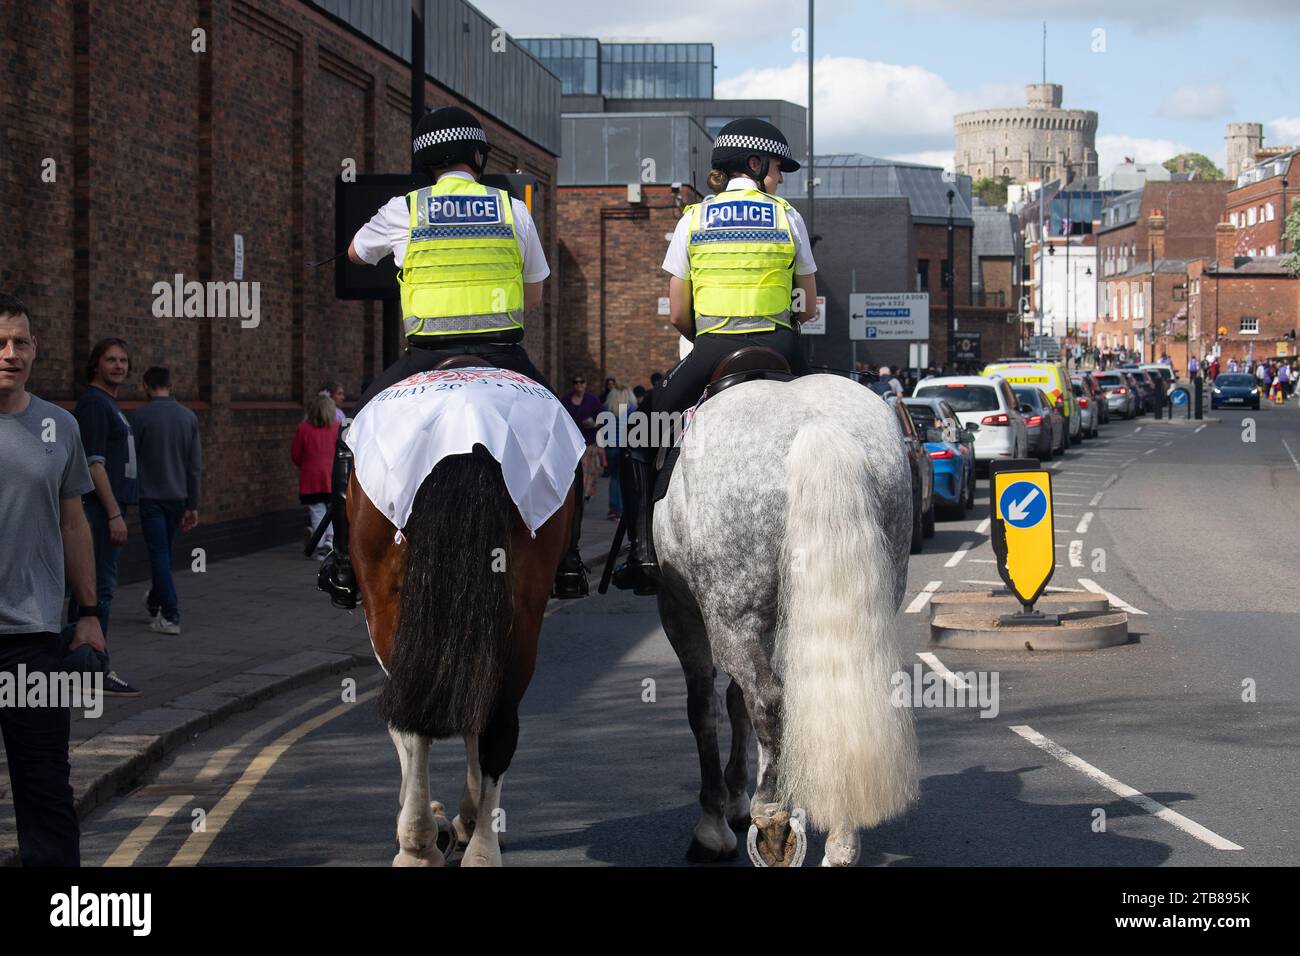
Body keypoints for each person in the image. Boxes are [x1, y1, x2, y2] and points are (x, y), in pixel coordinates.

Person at [320, 105, 587, 606]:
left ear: (427, 161)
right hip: (503, 356)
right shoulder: (514, 210)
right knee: (563, 430)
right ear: (478, 157)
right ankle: (568, 560)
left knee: (352, 437)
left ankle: (341, 562)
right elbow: (534, 297)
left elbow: (355, 252)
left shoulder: (406, 209)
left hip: (423, 358)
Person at [613, 117, 816, 594]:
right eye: (777, 168)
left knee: (637, 435)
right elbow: (807, 304)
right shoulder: (788, 216)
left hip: (715, 350)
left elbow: (678, 312)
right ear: (755, 162)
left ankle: (642, 554)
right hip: (782, 347)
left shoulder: (693, 220)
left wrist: (707, 334)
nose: (782, 178)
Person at [0, 293, 102, 865]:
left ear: (35, 349)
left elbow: (73, 523)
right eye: (0, 342)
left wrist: (89, 615)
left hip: (35, 641)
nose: (9, 353)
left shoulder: (58, 426)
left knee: (45, 791)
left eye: (20, 342)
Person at [68, 338, 139, 695]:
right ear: (96, 364)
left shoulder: (109, 403)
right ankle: (93, 668)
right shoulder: (95, 404)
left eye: (124, 360)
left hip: (109, 511)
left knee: (95, 589)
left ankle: (81, 667)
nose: (119, 366)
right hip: (98, 513)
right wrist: (113, 513)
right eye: (111, 360)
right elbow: (94, 465)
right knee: (96, 591)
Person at [128, 366, 201, 635]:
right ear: (171, 385)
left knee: (159, 554)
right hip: (179, 497)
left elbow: (131, 461)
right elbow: (195, 467)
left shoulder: (139, 416)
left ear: (146, 386)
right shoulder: (188, 417)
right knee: (164, 553)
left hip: (151, 497)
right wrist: (193, 504)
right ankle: (155, 600)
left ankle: (170, 614)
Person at [293, 393, 340, 560]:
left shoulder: (303, 429)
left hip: (310, 477)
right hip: (331, 476)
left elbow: (296, 454)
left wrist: (305, 465)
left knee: (317, 511)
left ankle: (320, 546)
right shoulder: (337, 428)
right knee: (333, 510)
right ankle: (330, 539)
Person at [563, 375, 605, 501]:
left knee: (587, 469)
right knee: (574, 469)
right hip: (571, 442)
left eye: (582, 382)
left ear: (585, 384)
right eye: (576, 382)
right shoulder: (566, 399)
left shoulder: (592, 400)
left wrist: (595, 424)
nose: (579, 384)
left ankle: (584, 494)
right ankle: (576, 492)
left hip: (588, 441)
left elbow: (604, 417)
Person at [603, 381, 637, 520]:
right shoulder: (632, 409)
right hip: (625, 447)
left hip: (611, 446)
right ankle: (623, 508)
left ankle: (613, 509)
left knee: (614, 478)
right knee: (624, 479)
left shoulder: (607, 408)